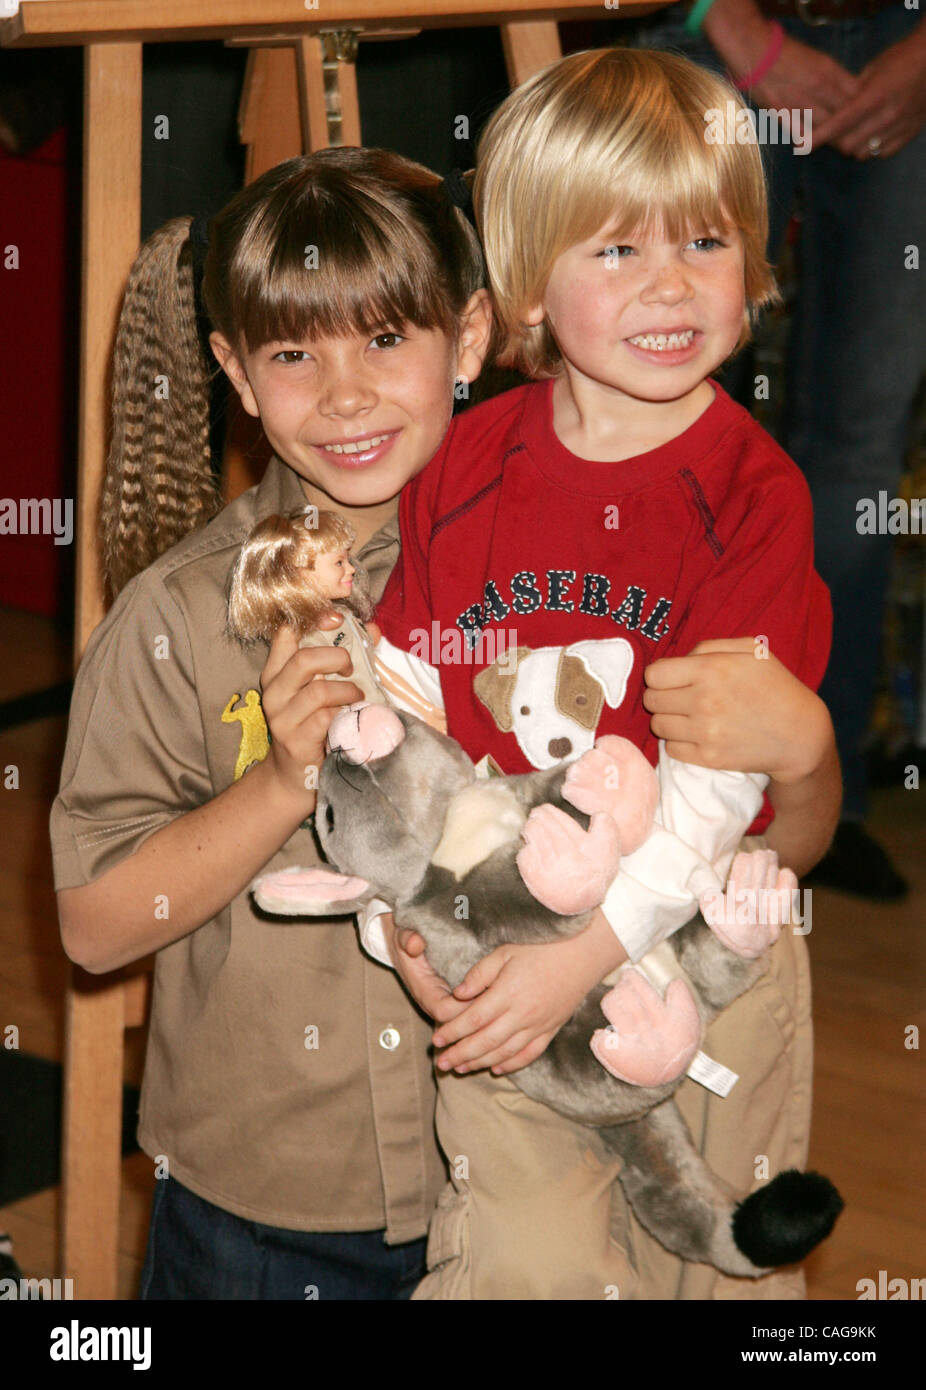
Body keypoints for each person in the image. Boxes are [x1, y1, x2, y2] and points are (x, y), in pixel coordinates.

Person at [370, 48, 841, 1299]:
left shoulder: (755, 496)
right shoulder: (459, 465)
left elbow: (719, 787)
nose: (669, 284)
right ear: (528, 285)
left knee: (723, 1268)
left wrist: (591, 954)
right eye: (617, 249)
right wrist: (403, 918)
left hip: (710, 949)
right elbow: (403, 708)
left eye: (704, 241)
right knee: (516, 1264)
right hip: (503, 946)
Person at [50, 147, 493, 1299]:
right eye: (294, 354)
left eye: (385, 338)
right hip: (265, 1211)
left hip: (515, 1176)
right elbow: (95, 927)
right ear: (235, 372)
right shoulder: (180, 613)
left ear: (470, 340)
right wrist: (279, 782)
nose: (344, 395)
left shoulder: (541, 570)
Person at [615, 0, 926, 899]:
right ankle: (625, 768)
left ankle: (820, 803)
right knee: (658, 415)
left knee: (861, 453)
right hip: (709, 29)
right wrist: (730, 21)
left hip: (903, 35)